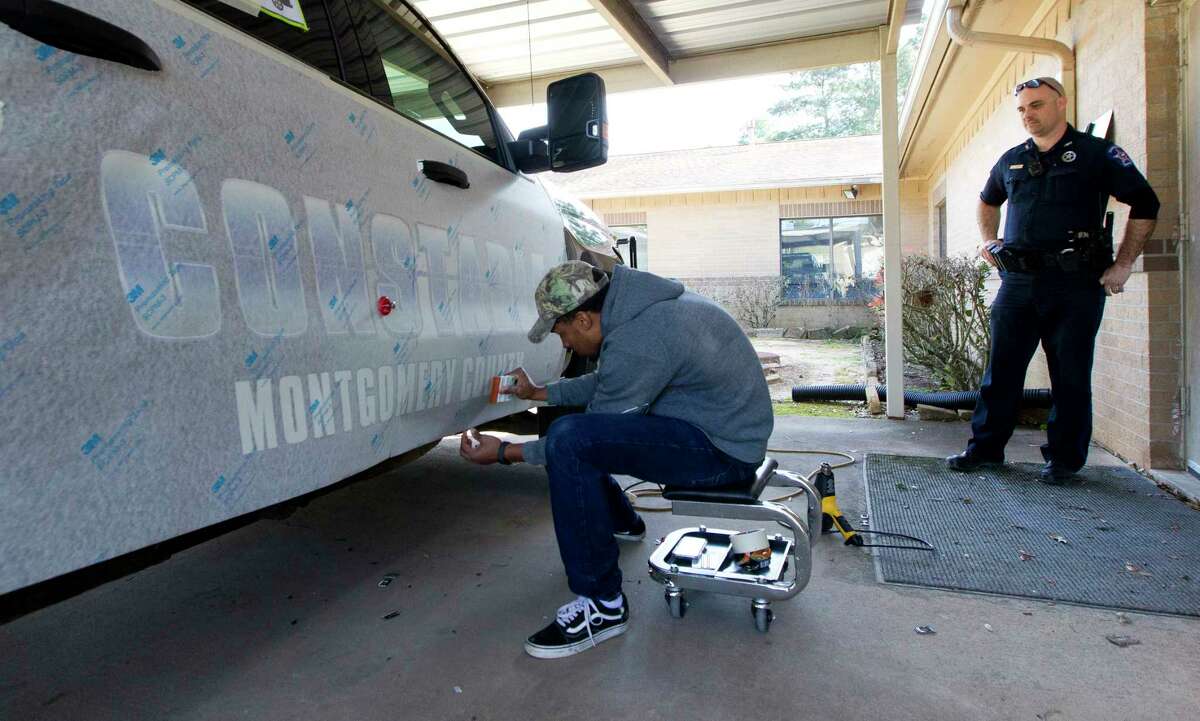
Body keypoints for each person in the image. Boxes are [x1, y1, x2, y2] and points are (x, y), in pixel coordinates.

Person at [459, 261, 773, 658]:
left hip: (723, 454)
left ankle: (603, 604)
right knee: (582, 438)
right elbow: (614, 381)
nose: (566, 345)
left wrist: (505, 452)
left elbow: (593, 426)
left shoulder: (642, 335)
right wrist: (540, 393)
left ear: (585, 320)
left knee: (572, 439)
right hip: (720, 430)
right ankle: (622, 521)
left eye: (563, 333)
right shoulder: (641, 309)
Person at [946, 76, 1159, 484]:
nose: (1029, 115)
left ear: (1061, 103)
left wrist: (1125, 263)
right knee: (1001, 372)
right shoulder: (1012, 160)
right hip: (1019, 283)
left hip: (1076, 283)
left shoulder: (1098, 154)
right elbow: (988, 200)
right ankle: (986, 450)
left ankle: (1064, 460)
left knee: (1071, 375)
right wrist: (989, 240)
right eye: (1023, 109)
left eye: (1037, 105)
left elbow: (1146, 202)